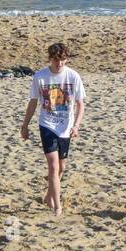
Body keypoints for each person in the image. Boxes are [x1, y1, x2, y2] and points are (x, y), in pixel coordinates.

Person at [21, 43, 86, 217]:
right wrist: (25, 125)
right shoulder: (40, 77)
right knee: (53, 166)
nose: (60, 64)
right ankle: (58, 206)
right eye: (57, 60)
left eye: (63, 60)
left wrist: (77, 126)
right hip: (47, 124)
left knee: (61, 167)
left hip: (66, 127)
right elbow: (33, 102)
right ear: (50, 58)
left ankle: (49, 195)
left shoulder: (73, 76)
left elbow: (81, 105)